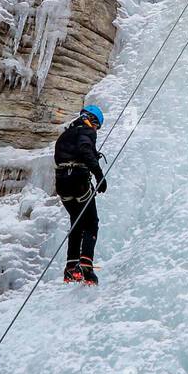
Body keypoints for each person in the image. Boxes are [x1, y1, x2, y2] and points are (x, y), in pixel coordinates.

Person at [54, 105, 107, 285]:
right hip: (78, 182)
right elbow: (84, 150)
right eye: (96, 125)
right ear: (91, 120)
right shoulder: (86, 131)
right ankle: (86, 265)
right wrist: (99, 175)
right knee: (91, 223)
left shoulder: (65, 135)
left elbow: (67, 154)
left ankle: (71, 268)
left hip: (62, 184)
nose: (96, 129)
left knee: (76, 221)